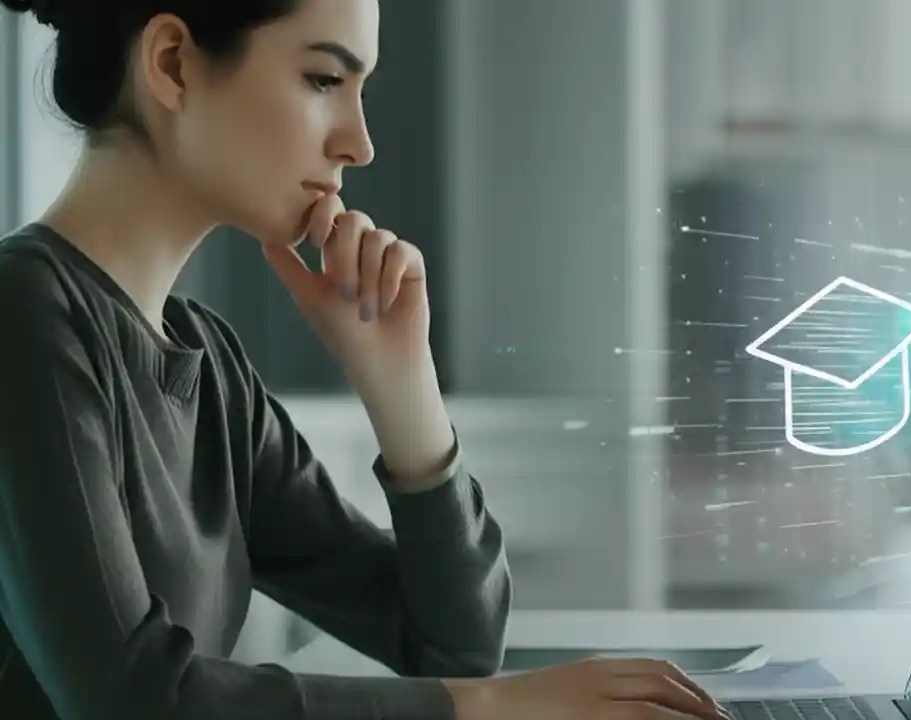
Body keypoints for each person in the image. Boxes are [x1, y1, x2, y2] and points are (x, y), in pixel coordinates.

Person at [0, 1, 729, 719]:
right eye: (323, 80)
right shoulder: (23, 313)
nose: (359, 142)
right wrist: (500, 710)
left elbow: (455, 645)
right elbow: (129, 699)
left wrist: (403, 385)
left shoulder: (207, 363)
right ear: (172, 64)